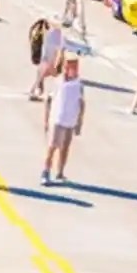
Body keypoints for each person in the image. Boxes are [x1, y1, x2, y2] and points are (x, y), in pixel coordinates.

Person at [42, 54, 85, 185]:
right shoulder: (58, 82)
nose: (73, 70)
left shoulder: (78, 84)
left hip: (70, 120)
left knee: (65, 148)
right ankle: (45, 172)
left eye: (75, 67)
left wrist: (79, 122)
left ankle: (60, 172)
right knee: (52, 147)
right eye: (71, 66)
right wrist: (46, 119)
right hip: (57, 119)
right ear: (65, 67)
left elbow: (81, 104)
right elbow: (48, 100)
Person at [28, 17, 64, 99]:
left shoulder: (48, 33)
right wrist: (57, 62)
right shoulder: (56, 35)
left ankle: (35, 92)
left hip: (45, 60)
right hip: (49, 61)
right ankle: (35, 92)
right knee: (49, 78)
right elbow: (58, 49)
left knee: (40, 78)